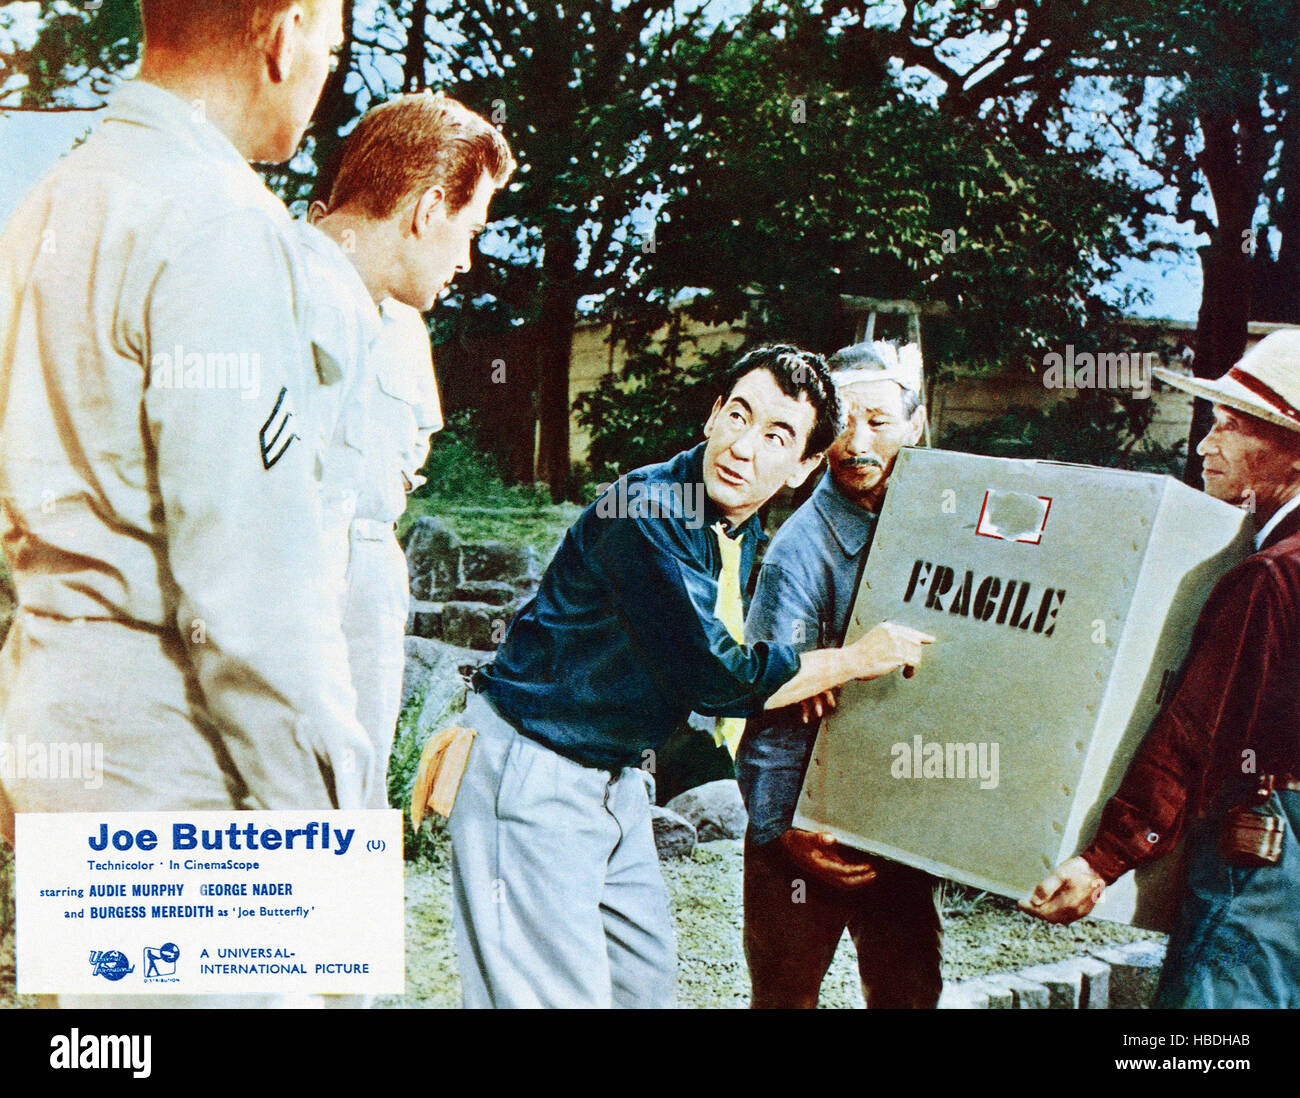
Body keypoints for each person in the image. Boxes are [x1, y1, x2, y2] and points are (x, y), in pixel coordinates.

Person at [0, 0, 367, 1005]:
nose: (324, 77)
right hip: (183, 770)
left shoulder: (51, 203)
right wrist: (325, 845)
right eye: (330, 52)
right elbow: (251, 594)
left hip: (58, 732)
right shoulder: (218, 224)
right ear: (284, 33)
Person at [447, 343, 935, 1008]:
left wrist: (796, 677)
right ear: (713, 416)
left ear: (802, 467)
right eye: (738, 415)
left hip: (613, 779)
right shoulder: (652, 510)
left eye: (777, 436)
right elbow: (716, 677)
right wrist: (848, 661)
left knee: (641, 988)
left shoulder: (736, 522)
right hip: (535, 763)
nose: (743, 447)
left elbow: (729, 668)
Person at [1023, 330, 1300, 1008]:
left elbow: (1195, 732)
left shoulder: (1271, 575)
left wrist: (1102, 859)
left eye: (1232, 429)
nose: (1207, 445)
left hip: (1259, 866)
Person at [303, 91, 515, 808]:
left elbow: (400, 470)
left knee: (350, 812)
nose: (468, 260)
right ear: (428, 212)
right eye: (472, 230)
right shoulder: (271, 287)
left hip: (366, 576)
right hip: (285, 588)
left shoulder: (399, 321)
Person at [737, 341, 943, 1009]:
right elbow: (764, 702)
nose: (858, 442)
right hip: (805, 825)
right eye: (843, 422)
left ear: (916, 423)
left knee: (909, 989)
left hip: (896, 817)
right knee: (786, 995)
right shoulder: (799, 552)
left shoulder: (941, 529)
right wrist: (781, 831)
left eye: (880, 421)